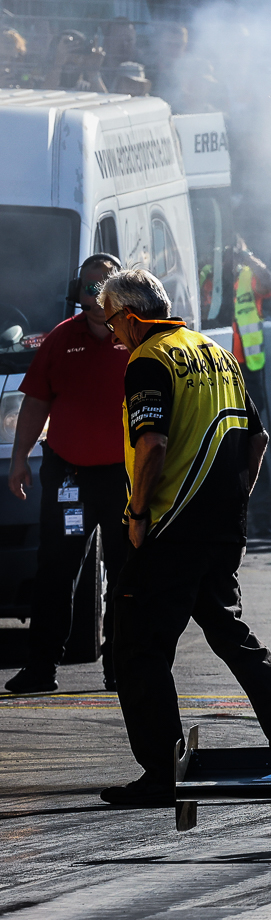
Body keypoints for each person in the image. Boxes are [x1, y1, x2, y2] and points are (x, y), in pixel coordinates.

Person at [99, 269, 271, 805]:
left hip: (169, 528)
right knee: (230, 634)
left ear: (131, 315)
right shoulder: (217, 355)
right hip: (221, 527)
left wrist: (138, 514)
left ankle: (162, 773)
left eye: (112, 321)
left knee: (138, 648)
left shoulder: (149, 359)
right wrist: (237, 499)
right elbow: (256, 439)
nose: (112, 334)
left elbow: (153, 445)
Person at [5, 255, 130, 695]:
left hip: (123, 479)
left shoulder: (137, 340)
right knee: (56, 571)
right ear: (78, 292)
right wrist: (21, 458)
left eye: (105, 286)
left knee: (125, 572)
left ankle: (120, 668)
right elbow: (36, 403)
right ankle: (42, 669)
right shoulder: (61, 339)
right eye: (89, 287)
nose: (96, 296)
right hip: (68, 479)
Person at [199, 239, 271, 418]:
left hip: (247, 362)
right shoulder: (208, 276)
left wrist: (247, 256)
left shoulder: (249, 276)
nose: (228, 255)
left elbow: (270, 283)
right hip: (214, 362)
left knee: (252, 414)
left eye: (232, 251)